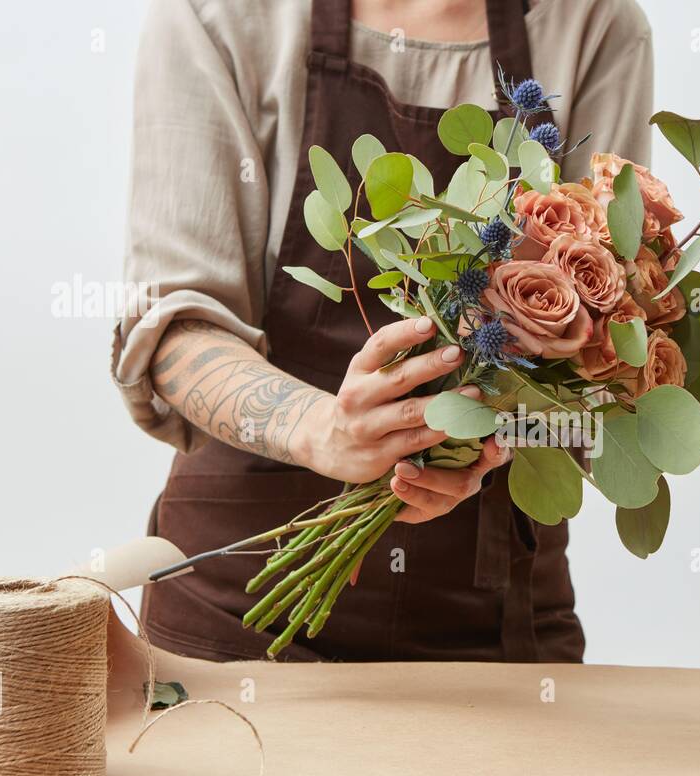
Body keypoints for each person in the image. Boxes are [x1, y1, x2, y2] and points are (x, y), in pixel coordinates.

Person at [111, 0, 654, 663]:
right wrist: (325, 431)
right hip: (239, 610)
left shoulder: (596, 24)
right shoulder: (216, 15)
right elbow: (173, 338)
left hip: (495, 622)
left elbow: (596, 381)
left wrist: (486, 437)